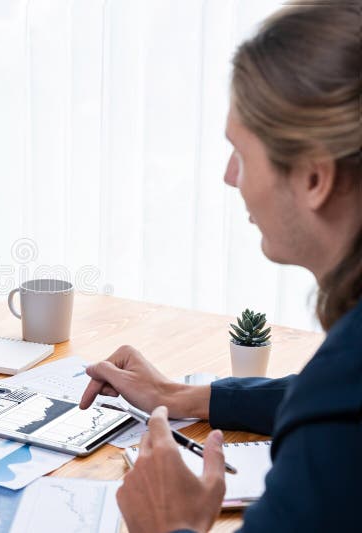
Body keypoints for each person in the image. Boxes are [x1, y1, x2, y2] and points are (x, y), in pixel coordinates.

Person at [79, 1, 361, 531]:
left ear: (314, 178)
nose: (231, 178)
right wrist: (182, 395)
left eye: (241, 153)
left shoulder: (338, 401)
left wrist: (169, 525)